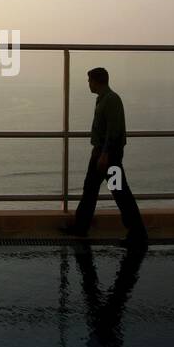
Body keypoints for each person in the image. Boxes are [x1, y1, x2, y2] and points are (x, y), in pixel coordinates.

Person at [60, 67, 148, 244]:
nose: (88, 84)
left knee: (118, 192)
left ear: (96, 81)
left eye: (89, 81)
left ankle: (137, 231)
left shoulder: (111, 100)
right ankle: (81, 227)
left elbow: (113, 130)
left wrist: (105, 154)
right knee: (93, 189)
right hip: (102, 154)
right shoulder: (104, 99)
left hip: (108, 156)